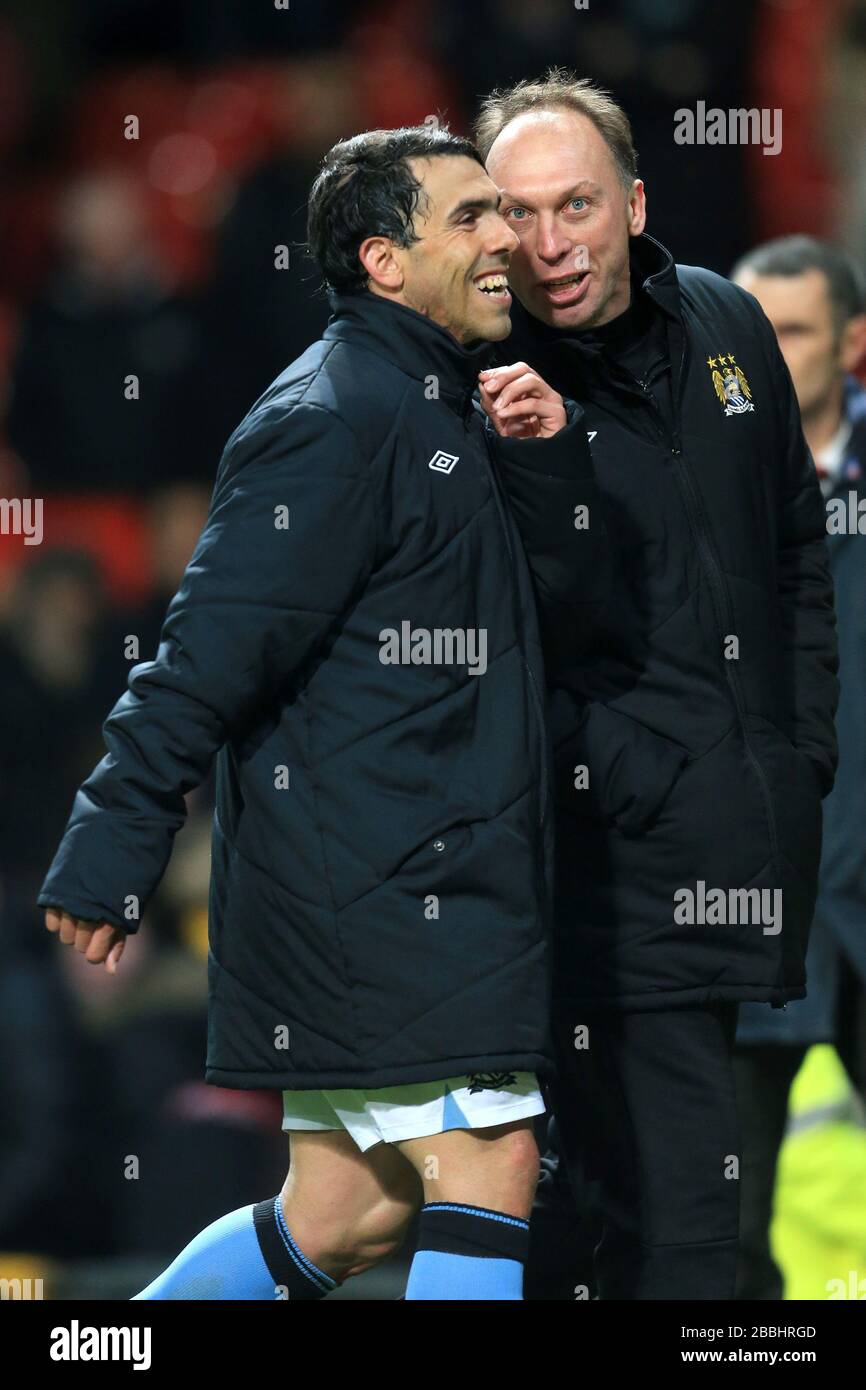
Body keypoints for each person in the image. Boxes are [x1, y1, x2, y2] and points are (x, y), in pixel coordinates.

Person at [37, 123, 606, 1301]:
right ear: (381, 260)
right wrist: (115, 840)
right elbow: (203, 651)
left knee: (341, 1214)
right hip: (382, 885)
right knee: (487, 1161)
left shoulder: (435, 401)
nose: (506, 235)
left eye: (505, 211)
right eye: (469, 217)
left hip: (402, 869)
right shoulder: (334, 415)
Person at [473, 69, 840, 1299]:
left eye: (572, 206)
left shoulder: (727, 322)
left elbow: (793, 541)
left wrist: (800, 752)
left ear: (630, 203)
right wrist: (626, 775)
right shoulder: (480, 393)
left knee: (622, 1226)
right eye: (513, 215)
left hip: (742, 840)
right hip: (601, 875)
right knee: (685, 1236)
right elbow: (484, 644)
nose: (546, 243)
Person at [730, 235, 866, 1299]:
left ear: (852, 343)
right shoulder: (677, 486)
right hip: (734, 912)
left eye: (791, 332)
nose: (761, 356)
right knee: (719, 1235)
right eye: (744, 331)